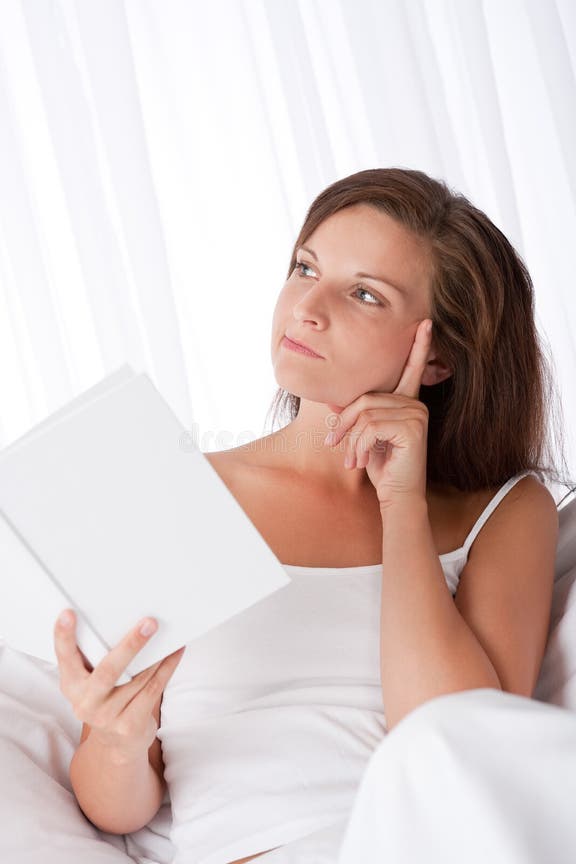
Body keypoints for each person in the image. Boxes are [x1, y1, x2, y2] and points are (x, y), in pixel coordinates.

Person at [53, 168, 573, 863]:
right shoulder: (177, 497)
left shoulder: (503, 513)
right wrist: (117, 739)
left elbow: (458, 744)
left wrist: (400, 505)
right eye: (305, 268)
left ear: (440, 355)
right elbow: (118, 808)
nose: (308, 307)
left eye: (363, 294)